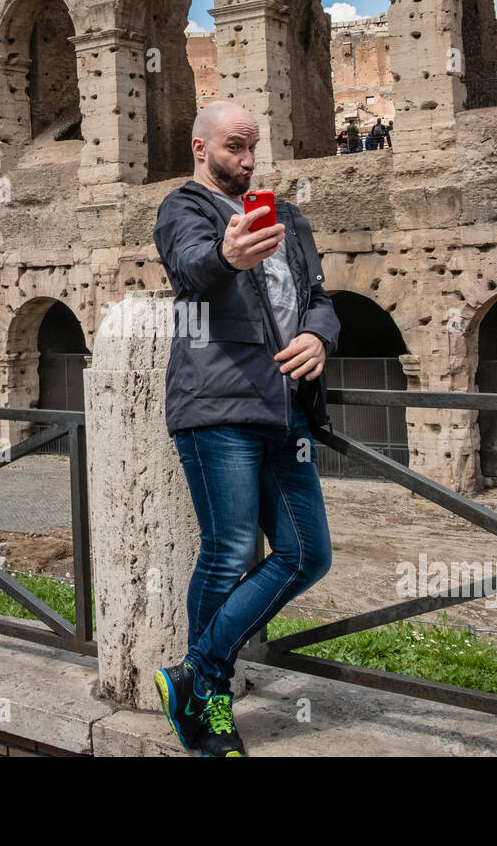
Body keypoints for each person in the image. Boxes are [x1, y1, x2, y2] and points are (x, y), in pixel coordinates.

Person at [151, 100, 339, 756]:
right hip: (218, 405)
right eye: (235, 146)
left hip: (286, 412)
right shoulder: (184, 209)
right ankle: (213, 706)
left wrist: (317, 336)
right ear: (200, 148)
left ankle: (193, 676)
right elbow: (190, 269)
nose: (249, 160)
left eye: (254, 146)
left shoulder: (288, 218)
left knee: (307, 554)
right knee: (228, 551)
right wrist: (227, 257)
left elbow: (321, 300)